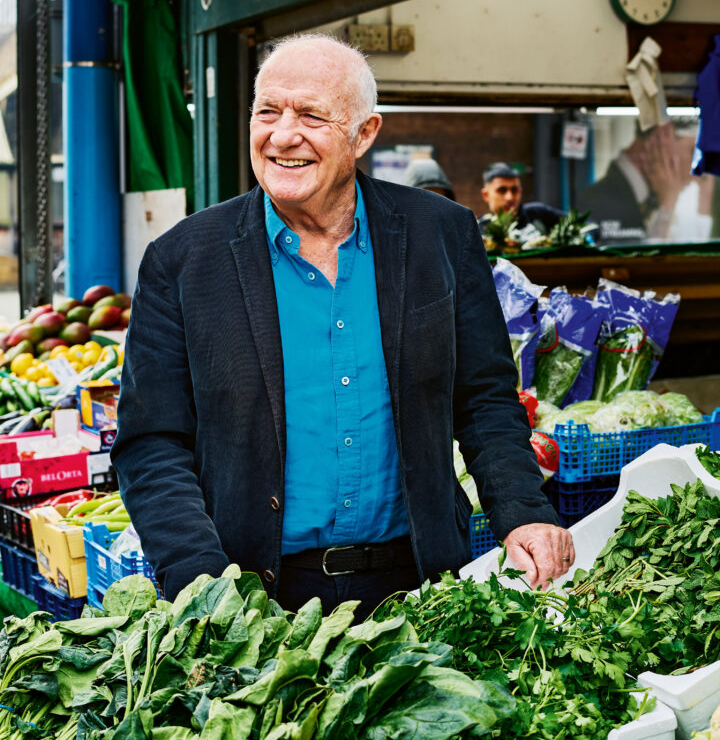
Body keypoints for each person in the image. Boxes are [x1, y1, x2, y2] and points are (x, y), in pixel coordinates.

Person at [112, 34, 572, 617]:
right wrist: (204, 587)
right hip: (255, 598)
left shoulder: (441, 235)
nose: (282, 136)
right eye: (267, 112)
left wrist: (523, 511)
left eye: (311, 116)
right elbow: (151, 443)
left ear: (364, 134)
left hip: (423, 584)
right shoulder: (182, 260)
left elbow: (484, 399)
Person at [578, 123, 694, 245]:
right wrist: (668, 204)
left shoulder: (649, 199)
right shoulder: (596, 204)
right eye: (693, 153)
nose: (695, 174)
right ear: (662, 136)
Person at [478, 162, 564, 233]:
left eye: (514, 190)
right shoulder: (478, 229)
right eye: (502, 190)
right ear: (486, 195)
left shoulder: (538, 214)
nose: (510, 197)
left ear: (520, 191)